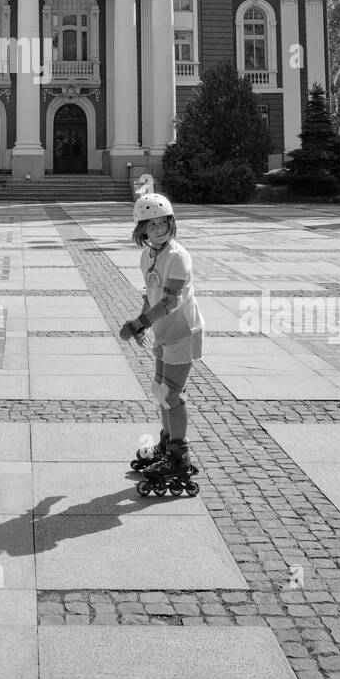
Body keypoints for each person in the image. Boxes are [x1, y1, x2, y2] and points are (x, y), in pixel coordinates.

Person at [119, 193, 203, 486]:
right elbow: (150, 295)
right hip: (163, 331)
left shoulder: (178, 256)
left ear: (171, 222)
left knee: (171, 394)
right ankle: (167, 446)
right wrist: (143, 325)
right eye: (150, 224)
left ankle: (179, 458)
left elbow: (170, 301)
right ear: (141, 230)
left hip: (183, 332)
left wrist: (138, 323)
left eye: (162, 222)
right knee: (159, 390)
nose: (157, 229)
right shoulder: (149, 254)